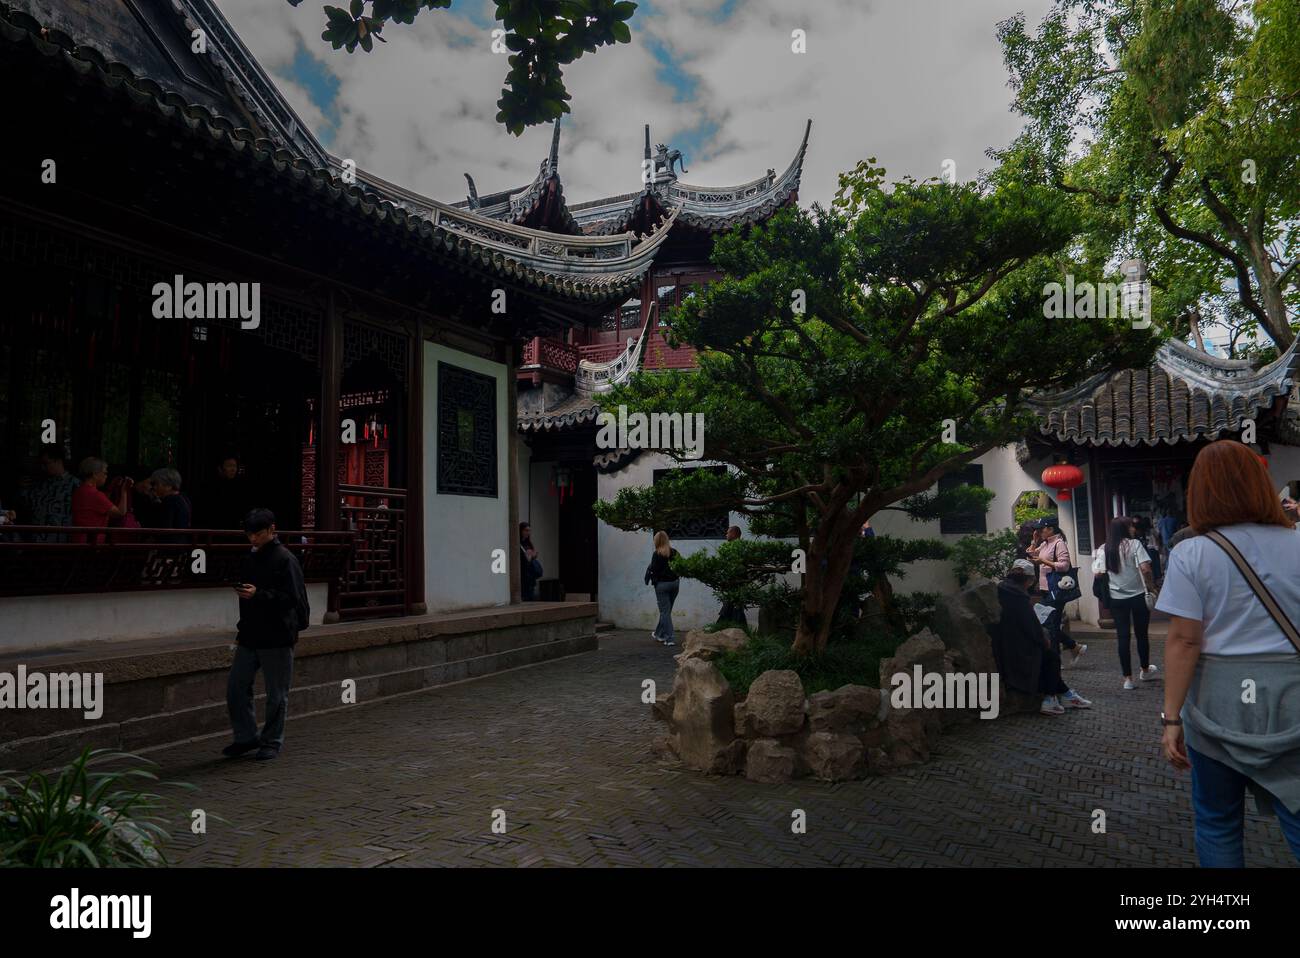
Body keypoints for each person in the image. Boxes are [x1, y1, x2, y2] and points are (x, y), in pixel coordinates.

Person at [1157, 440, 1300, 867]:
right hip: (1292, 695)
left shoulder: (1190, 553)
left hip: (1218, 701)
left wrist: (1171, 718)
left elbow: (1184, 640)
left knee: (1217, 821)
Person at [224, 508, 308, 762]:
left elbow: (292, 598)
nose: (253, 539)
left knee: (276, 693)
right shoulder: (250, 558)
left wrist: (258, 594)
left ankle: (271, 741)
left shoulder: (285, 559)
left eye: (258, 534)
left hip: (278, 635)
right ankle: (246, 736)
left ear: (272, 529)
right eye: (249, 535)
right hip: (250, 633)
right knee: (236, 688)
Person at [991, 558, 1092, 715]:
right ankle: (1051, 698)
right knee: (1051, 656)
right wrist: (1043, 638)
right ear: (1029, 580)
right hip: (1017, 651)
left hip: (1007, 643)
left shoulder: (1003, 590)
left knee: (1048, 652)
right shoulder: (1019, 597)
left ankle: (1065, 695)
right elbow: (1031, 627)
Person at [1092, 516, 1158, 690]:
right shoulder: (1135, 545)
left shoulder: (1104, 549)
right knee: (1141, 634)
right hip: (1138, 597)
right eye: (1131, 526)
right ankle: (1144, 670)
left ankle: (1127, 678)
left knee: (1123, 636)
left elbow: (1098, 573)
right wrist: (1151, 586)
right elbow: (1145, 568)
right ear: (1124, 528)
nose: (1133, 529)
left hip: (1116, 598)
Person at [1032, 517, 1086, 664]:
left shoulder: (1059, 543)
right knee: (1050, 623)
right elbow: (1032, 555)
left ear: (1050, 529)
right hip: (1045, 588)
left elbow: (1064, 566)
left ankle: (1058, 658)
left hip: (1055, 590)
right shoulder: (1045, 543)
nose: (1039, 531)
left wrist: (1043, 562)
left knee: (1049, 624)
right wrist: (1034, 541)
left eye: (1041, 529)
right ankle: (1073, 647)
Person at [69, 458, 132, 544]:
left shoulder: (78, 491)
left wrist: (110, 489)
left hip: (77, 540)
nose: (106, 476)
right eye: (105, 473)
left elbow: (101, 504)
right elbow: (120, 513)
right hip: (91, 543)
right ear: (95, 474)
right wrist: (124, 491)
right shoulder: (95, 494)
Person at [23, 446, 79, 541]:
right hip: (37, 539)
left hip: (61, 539)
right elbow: (27, 505)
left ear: (58, 461)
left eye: (46, 463)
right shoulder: (39, 485)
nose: (43, 467)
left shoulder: (75, 485)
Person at [645, 530, 680, 647]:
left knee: (665, 612)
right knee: (667, 611)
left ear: (657, 541)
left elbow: (654, 571)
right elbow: (680, 567)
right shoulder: (674, 552)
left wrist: (655, 583)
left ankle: (669, 638)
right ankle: (658, 633)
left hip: (662, 585)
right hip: (675, 584)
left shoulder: (656, 554)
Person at [202, 455, 250, 529]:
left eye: (235, 466)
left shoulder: (240, 488)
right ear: (220, 469)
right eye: (229, 466)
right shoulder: (212, 488)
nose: (233, 469)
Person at [147, 468, 191, 542]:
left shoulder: (169, 501)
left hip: (170, 548)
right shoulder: (184, 498)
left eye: (157, 484)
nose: (154, 487)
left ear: (169, 486)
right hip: (182, 544)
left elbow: (163, 529)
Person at [717, 525, 748, 629]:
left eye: (728, 532)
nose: (726, 535)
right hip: (733, 583)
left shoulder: (739, 549)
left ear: (734, 534)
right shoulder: (732, 548)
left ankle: (721, 628)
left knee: (734, 608)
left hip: (737, 583)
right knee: (732, 608)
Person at [519, 522, 542, 601]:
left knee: (530, 595)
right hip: (523, 573)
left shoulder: (528, 543)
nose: (527, 533)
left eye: (529, 531)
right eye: (525, 530)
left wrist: (533, 555)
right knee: (525, 595)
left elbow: (530, 556)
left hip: (530, 574)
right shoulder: (519, 543)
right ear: (521, 531)